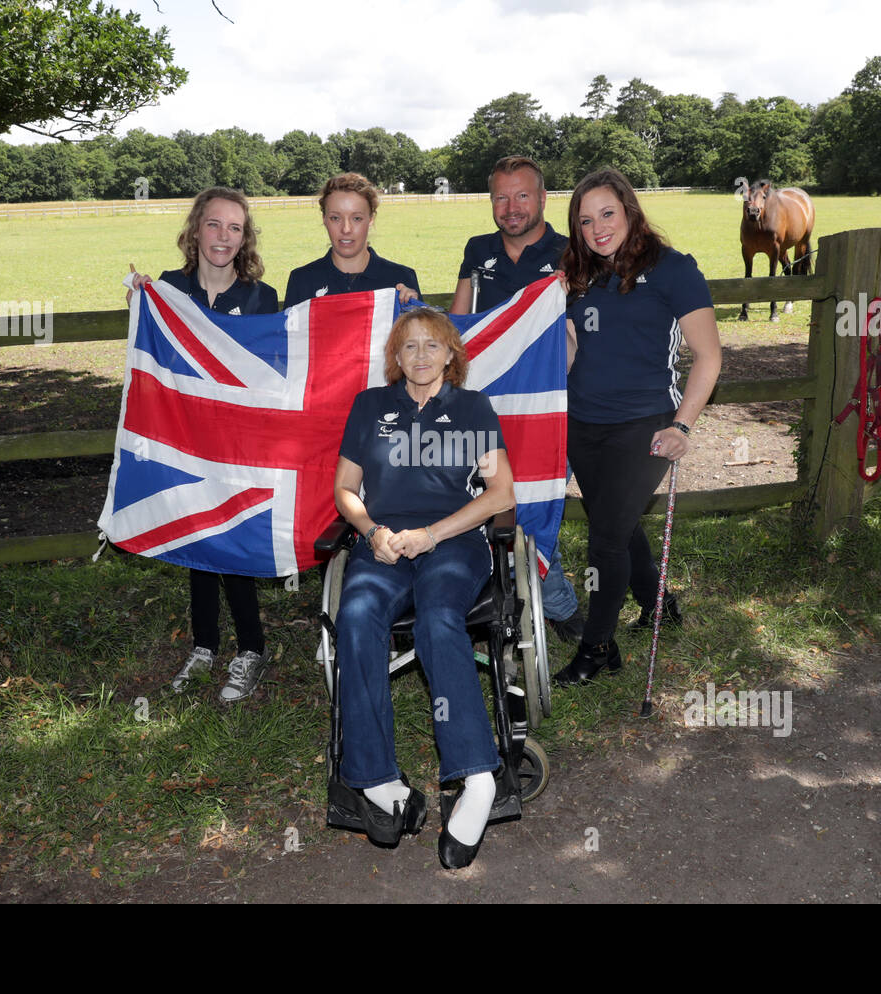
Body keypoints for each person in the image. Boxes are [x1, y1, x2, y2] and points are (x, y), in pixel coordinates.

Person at [330, 308, 515, 869]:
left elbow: (501, 494)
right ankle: (381, 784)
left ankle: (478, 778)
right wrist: (371, 531)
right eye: (408, 347)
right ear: (396, 356)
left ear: (450, 353)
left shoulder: (472, 408)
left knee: (439, 619)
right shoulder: (370, 405)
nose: (420, 356)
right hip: (385, 542)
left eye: (432, 345)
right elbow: (345, 489)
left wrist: (432, 534)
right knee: (356, 617)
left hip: (451, 540)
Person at [554, 169, 721, 686]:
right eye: (585, 220)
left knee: (604, 539)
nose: (598, 228)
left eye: (607, 213)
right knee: (617, 523)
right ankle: (658, 602)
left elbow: (709, 357)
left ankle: (598, 648)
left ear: (629, 210)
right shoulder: (578, 275)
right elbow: (573, 351)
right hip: (582, 424)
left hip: (646, 424)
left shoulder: (674, 270)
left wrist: (683, 427)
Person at [128, 187, 279, 704]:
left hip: (239, 442)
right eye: (214, 225)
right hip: (187, 440)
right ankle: (205, 644)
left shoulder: (263, 298)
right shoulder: (169, 290)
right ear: (196, 230)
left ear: (245, 238)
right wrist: (140, 303)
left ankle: (252, 647)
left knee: (233, 536)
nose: (223, 236)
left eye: (234, 228)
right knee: (198, 538)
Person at [449, 155, 584, 643]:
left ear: (543, 198)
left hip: (544, 408)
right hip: (487, 408)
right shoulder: (477, 249)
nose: (511, 207)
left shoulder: (570, 252)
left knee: (528, 503)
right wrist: (410, 309)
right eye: (501, 197)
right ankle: (497, 599)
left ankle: (555, 603)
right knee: (487, 501)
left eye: (522, 195)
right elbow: (458, 328)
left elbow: (577, 337)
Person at [283, 172, 420, 308]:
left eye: (357, 218)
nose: (346, 229)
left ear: (371, 219)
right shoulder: (302, 280)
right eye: (335, 218)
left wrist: (416, 315)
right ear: (324, 219)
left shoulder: (401, 278)